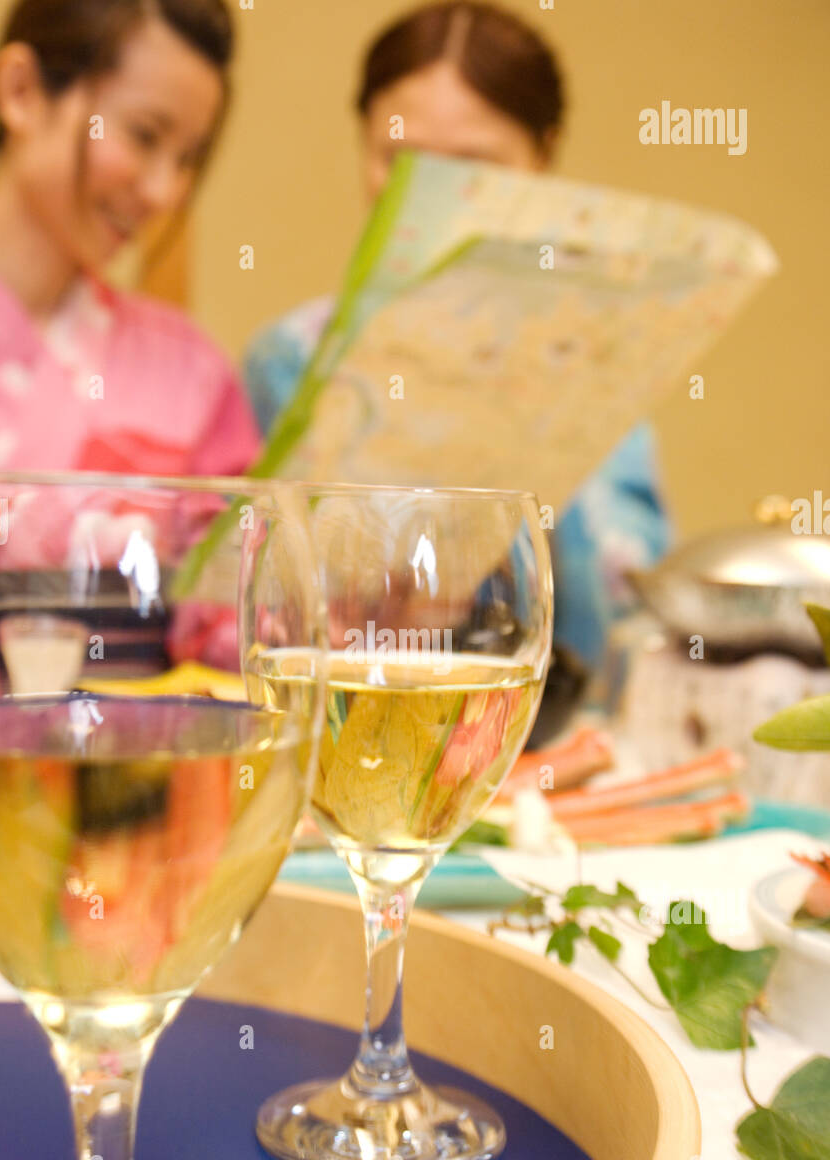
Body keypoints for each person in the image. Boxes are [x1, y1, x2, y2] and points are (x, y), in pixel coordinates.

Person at [244, 0, 671, 673]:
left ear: (543, 157)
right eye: (398, 160)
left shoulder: (592, 357)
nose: (430, 202)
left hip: (554, 738)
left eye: (470, 169)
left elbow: (629, 614)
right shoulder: (291, 358)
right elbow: (260, 613)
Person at [0, 0, 259, 685]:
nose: (163, 190)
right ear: (21, 90)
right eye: (142, 134)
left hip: (133, 782)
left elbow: (236, 621)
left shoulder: (192, 375)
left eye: (186, 158)